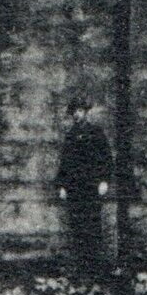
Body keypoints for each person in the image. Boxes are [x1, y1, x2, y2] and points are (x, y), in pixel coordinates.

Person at [55, 100, 112, 277]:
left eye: (80, 111)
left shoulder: (96, 132)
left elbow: (107, 159)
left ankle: (95, 267)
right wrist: (62, 185)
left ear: (86, 113)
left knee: (92, 224)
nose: (77, 114)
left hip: (91, 186)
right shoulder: (70, 135)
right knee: (77, 224)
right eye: (74, 112)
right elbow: (65, 162)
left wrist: (104, 181)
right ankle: (81, 267)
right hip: (75, 187)